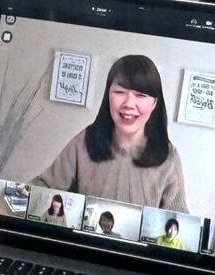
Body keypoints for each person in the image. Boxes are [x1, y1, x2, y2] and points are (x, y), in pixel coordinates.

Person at [35, 55, 188, 212]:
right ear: (108, 95)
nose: (129, 104)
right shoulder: (85, 140)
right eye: (120, 92)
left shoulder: (168, 156)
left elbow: (178, 219)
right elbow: (44, 188)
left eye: (141, 95)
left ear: (154, 103)